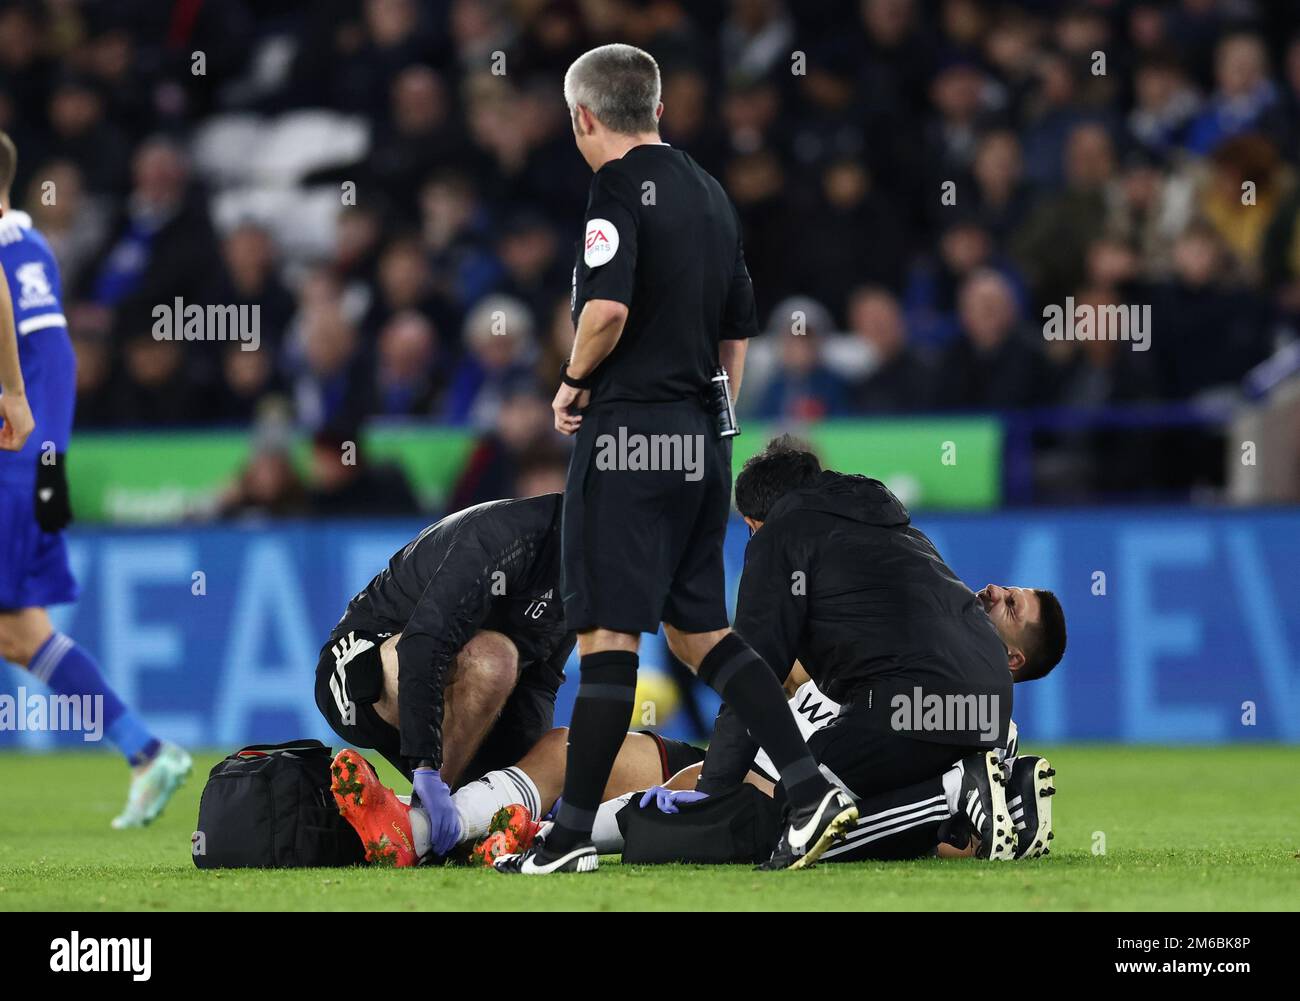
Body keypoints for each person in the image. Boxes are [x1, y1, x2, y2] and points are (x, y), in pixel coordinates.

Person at [498, 43, 857, 876]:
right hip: (702, 437)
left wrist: (571, 384)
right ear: (655, 108)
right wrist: (715, 419)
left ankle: (567, 835)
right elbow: (738, 330)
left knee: (607, 633)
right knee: (700, 632)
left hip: (626, 435)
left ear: (583, 117)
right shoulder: (710, 191)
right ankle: (808, 786)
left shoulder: (615, 190)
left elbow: (608, 309)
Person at [682, 436, 1066, 866]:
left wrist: (710, 799)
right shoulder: (904, 531)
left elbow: (751, 677)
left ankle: (952, 795)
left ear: (755, 522)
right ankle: (1006, 796)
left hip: (907, 704)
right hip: (988, 711)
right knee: (884, 798)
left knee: (800, 805)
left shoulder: (781, 536)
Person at [0, 131, 192, 827]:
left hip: (14, 468)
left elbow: (47, 369)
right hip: (29, 464)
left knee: (18, 634)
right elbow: (59, 362)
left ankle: (145, 748)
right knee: (20, 635)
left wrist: (41, 455)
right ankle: (145, 749)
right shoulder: (30, 252)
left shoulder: (8, 255)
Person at [313, 493, 575, 860]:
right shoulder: (506, 534)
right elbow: (423, 644)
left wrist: (526, 777)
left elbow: (540, 681)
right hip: (360, 671)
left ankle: (412, 822)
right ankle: (422, 818)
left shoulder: (590, 566)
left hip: (454, 710)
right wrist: (426, 769)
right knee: (493, 658)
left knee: (553, 760)